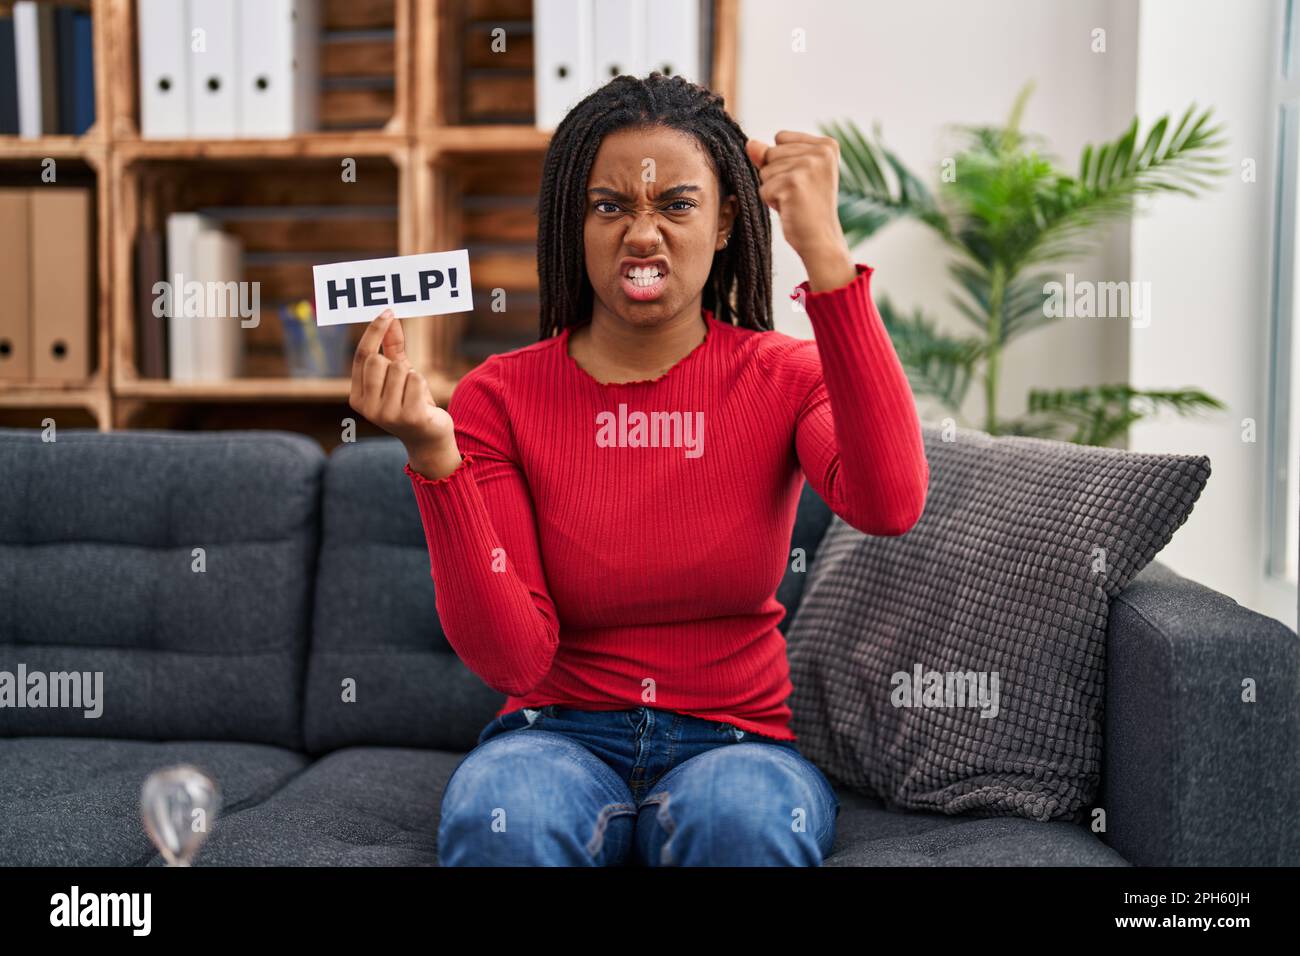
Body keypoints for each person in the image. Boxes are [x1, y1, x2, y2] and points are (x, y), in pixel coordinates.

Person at [348, 73, 929, 866]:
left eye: (676, 204)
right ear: (574, 224)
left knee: (742, 821)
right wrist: (433, 456)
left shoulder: (786, 377)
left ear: (727, 221)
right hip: (552, 736)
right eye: (610, 206)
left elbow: (891, 500)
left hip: (734, 740)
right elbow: (512, 659)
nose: (642, 234)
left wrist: (823, 250)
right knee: (511, 820)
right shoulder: (500, 396)